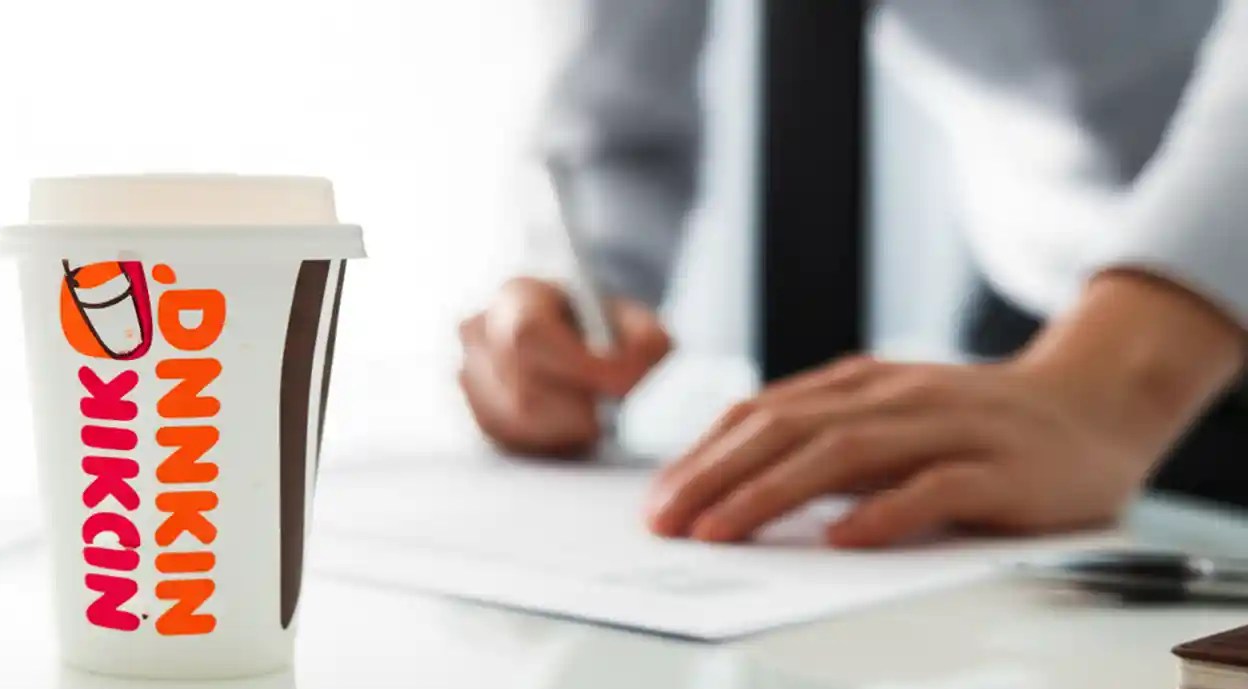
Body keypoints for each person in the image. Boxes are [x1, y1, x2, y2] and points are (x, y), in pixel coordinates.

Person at [458, 1, 1248, 548]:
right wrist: (582, 300)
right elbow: (616, 109)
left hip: (1104, 367)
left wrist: (1119, 379)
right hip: (1035, 329)